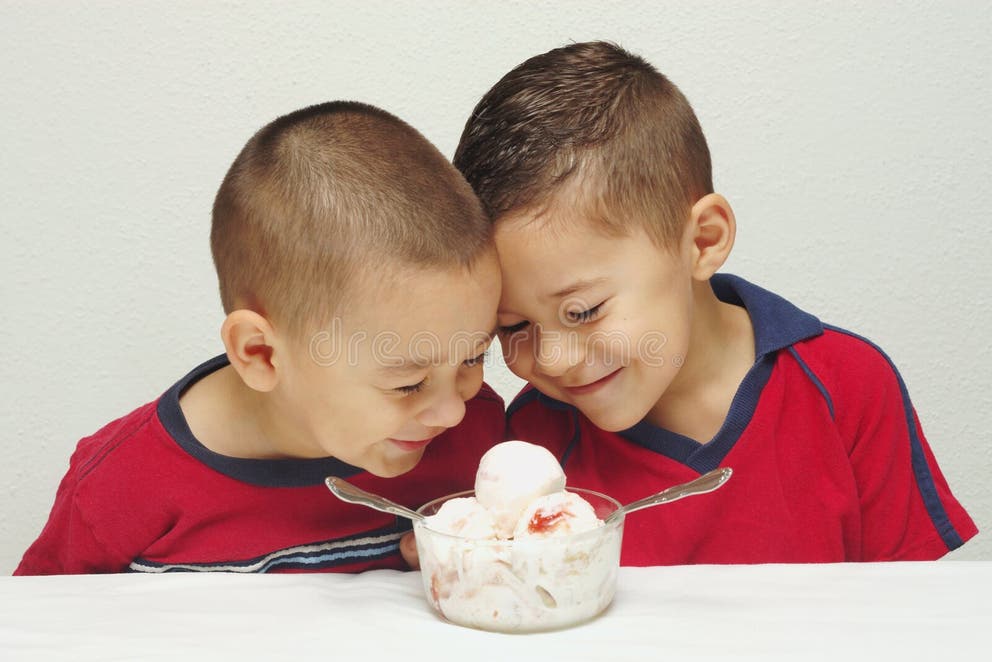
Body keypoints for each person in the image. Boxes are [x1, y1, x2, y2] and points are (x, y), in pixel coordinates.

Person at [452, 41, 977, 564]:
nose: (552, 360)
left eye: (584, 311)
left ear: (702, 241)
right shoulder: (531, 442)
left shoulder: (848, 388)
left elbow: (908, 609)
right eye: (515, 327)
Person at [16, 101, 504, 575]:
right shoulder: (119, 487)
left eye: (473, 358)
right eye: (407, 383)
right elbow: (37, 630)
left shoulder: (478, 440)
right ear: (261, 354)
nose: (453, 410)